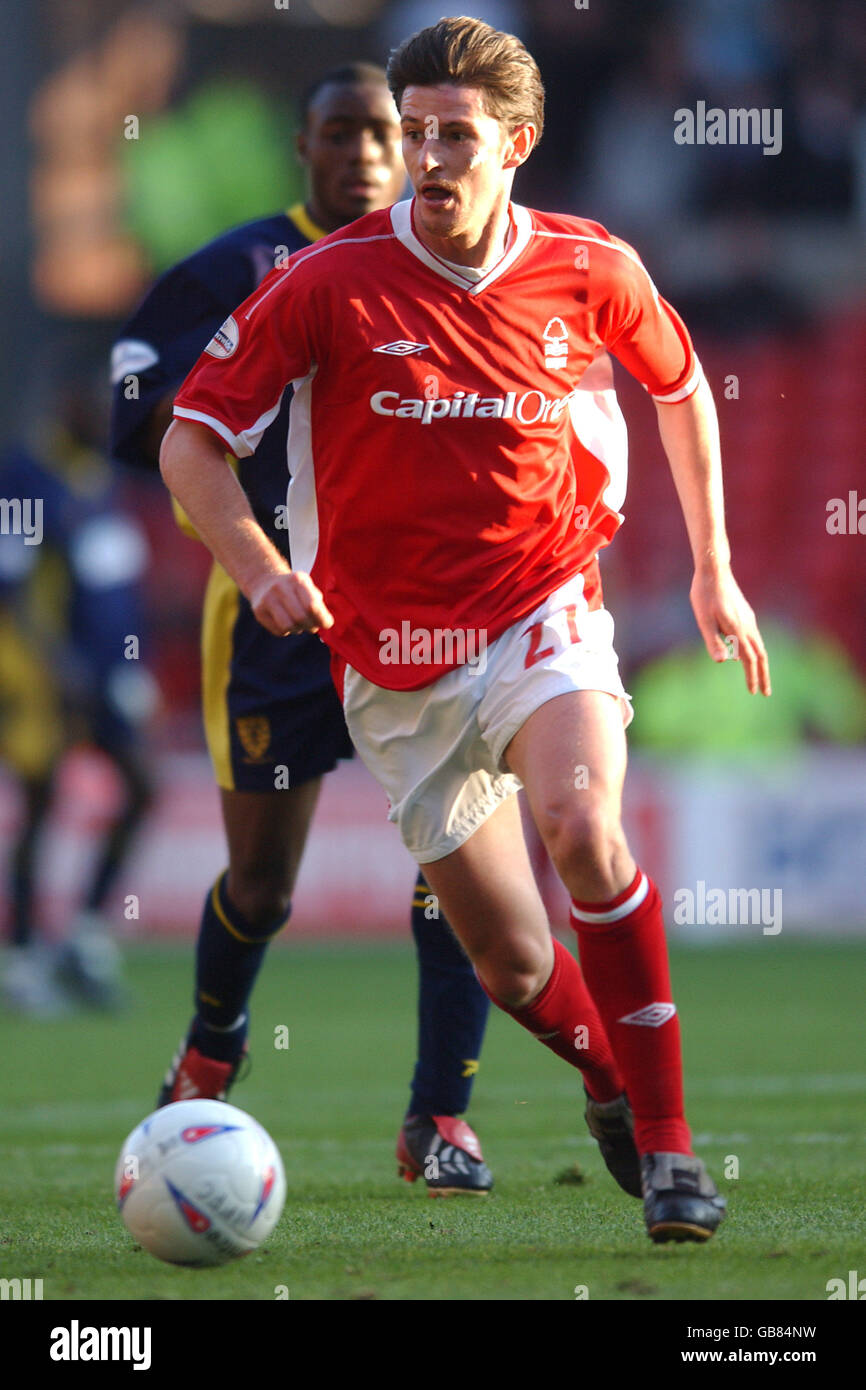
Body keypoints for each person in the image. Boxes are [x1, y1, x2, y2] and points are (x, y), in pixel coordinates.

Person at [159, 17, 772, 1242]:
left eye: (454, 136)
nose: (427, 158)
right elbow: (190, 441)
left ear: (515, 146)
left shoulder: (587, 266)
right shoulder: (328, 282)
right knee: (511, 964)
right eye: (414, 132)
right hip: (394, 664)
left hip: (545, 602)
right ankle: (607, 1074)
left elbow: (679, 384)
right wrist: (259, 565)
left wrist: (713, 568)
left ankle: (671, 1157)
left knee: (581, 825)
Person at [111, 63, 499, 1196]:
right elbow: (143, 406)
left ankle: (440, 1117)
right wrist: (238, 529)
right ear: (304, 145)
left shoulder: (455, 266)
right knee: (263, 885)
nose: (367, 155)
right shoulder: (234, 269)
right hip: (280, 614)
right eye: (343, 133)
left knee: (451, 873)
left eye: (386, 133)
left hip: (426, 610)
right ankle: (211, 1048)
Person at [0, 384, 156, 1013]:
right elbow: (10, 582)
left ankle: (83, 937)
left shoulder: (103, 479)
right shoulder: (26, 477)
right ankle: (22, 957)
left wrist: (132, 669)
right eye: (98, 407)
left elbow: (112, 588)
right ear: (68, 408)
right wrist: (54, 664)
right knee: (43, 802)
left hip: (107, 676)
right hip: (48, 675)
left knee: (142, 787)